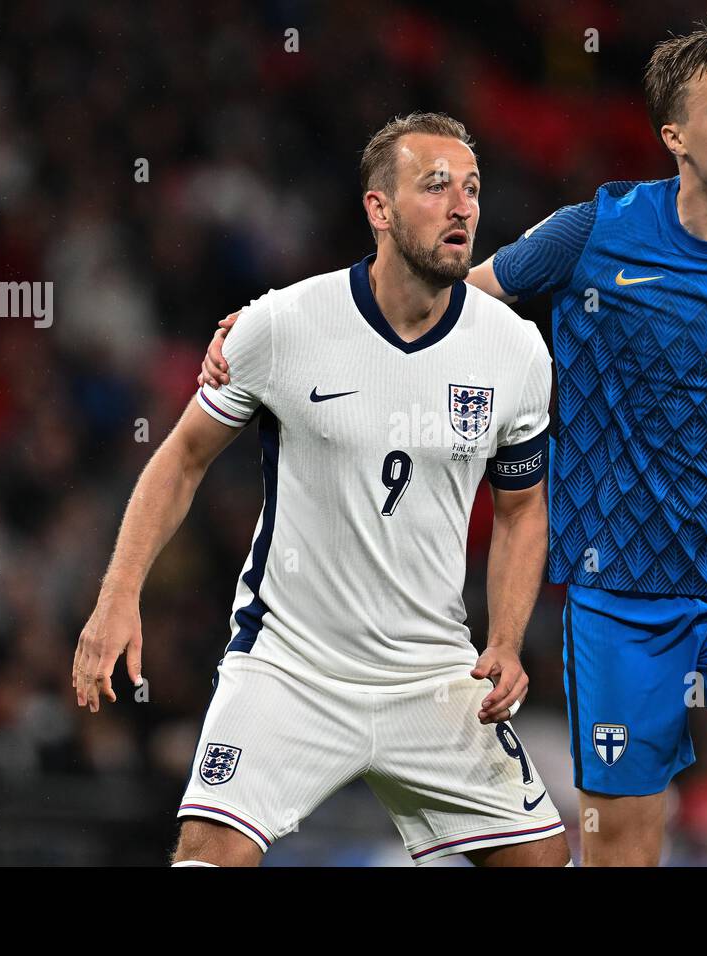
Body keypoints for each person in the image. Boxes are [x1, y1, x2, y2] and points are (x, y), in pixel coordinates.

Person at [201, 20, 707, 866]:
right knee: (621, 852)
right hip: (618, 592)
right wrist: (281, 324)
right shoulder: (596, 231)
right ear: (676, 138)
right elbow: (441, 300)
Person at [74, 112, 569, 866]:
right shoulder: (284, 324)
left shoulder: (515, 350)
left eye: (471, 188)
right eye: (436, 187)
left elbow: (522, 509)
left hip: (434, 673)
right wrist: (119, 594)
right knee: (208, 857)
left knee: (541, 862)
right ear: (379, 209)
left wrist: (503, 639)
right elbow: (180, 460)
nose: (462, 205)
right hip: (290, 667)